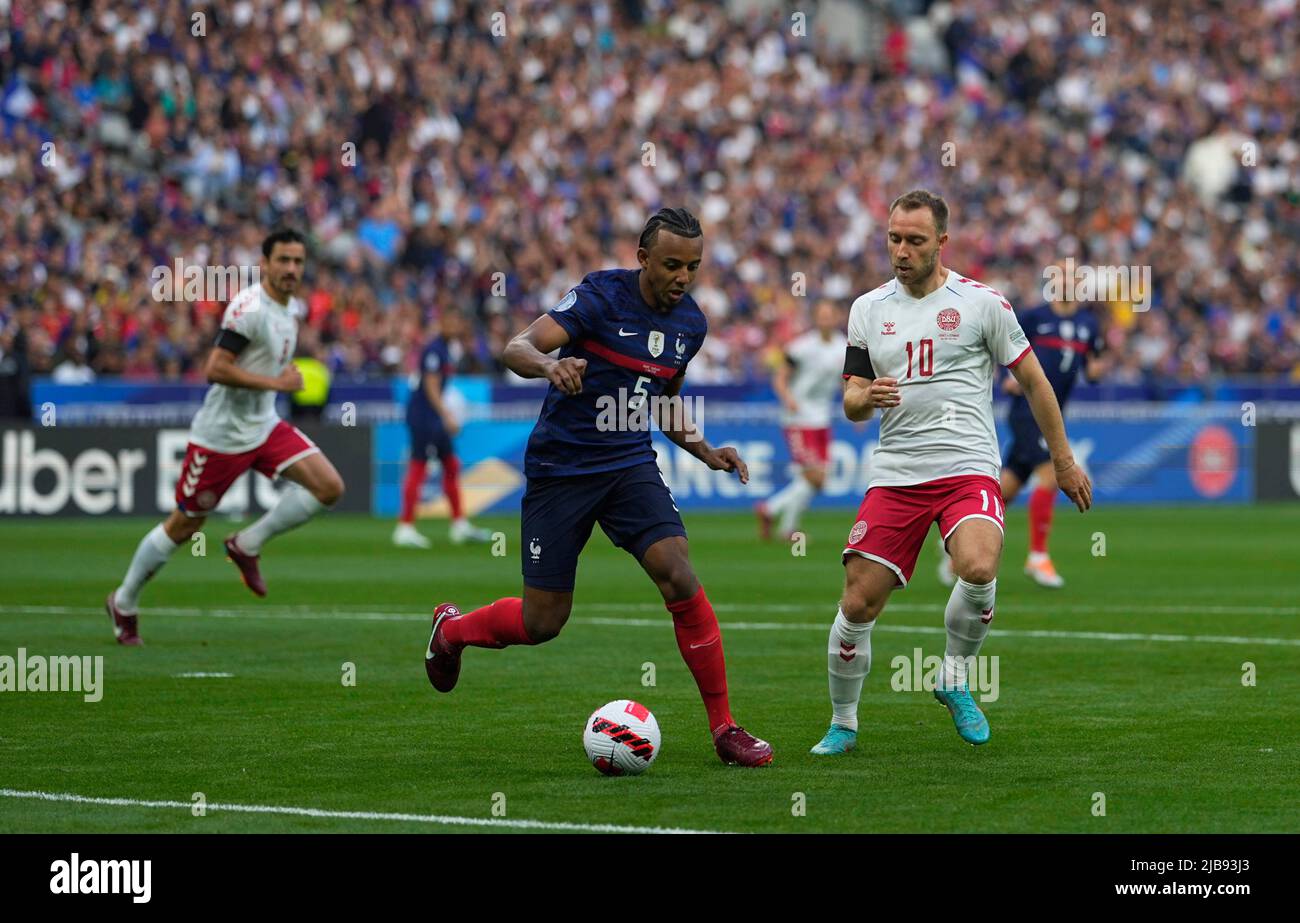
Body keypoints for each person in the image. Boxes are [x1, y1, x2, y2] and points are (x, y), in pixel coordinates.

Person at [423, 207, 773, 767]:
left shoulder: (691, 326)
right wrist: (547, 367)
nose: (683, 277)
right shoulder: (599, 297)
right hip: (561, 469)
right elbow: (516, 346)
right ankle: (452, 631)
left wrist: (706, 450)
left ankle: (725, 728)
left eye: (694, 266)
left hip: (628, 462)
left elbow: (660, 396)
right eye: (672, 265)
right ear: (642, 259)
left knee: (678, 573)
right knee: (544, 621)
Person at [811, 190, 1092, 755]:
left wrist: (1062, 459)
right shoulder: (868, 309)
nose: (902, 250)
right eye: (894, 238)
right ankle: (844, 722)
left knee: (979, 564)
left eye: (915, 240)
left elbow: (1036, 382)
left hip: (968, 466)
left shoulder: (983, 304)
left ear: (941, 241)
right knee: (858, 602)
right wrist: (868, 398)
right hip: (897, 472)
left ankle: (954, 677)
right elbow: (851, 401)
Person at [105, 228, 345, 645]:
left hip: (264, 425)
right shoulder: (248, 309)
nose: (291, 269)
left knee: (329, 487)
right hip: (221, 435)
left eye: (297, 261)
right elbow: (215, 368)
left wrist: (272, 389)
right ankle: (123, 601)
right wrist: (274, 384)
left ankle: (246, 544)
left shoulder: (293, 309)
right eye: (283, 260)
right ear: (265, 264)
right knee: (184, 525)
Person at [938, 279, 1105, 588]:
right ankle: (1038, 556)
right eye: (1064, 277)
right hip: (1026, 409)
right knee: (1050, 475)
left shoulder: (1087, 323)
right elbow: (1005, 345)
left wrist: (1097, 370)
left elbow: (1092, 365)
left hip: (1052, 414)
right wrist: (1008, 376)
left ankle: (958, 536)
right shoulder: (1034, 317)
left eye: (1076, 278)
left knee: (1008, 488)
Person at [393, 307, 493, 548]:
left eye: (456, 322)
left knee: (450, 464)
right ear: (441, 324)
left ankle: (459, 525)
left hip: (433, 417)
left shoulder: (447, 349)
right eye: (449, 322)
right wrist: (447, 415)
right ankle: (404, 527)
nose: (453, 326)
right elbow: (430, 385)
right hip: (423, 417)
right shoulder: (435, 349)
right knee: (419, 465)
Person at [756, 300, 847, 540]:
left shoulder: (842, 346)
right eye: (822, 315)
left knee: (815, 480)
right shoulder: (802, 347)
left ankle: (783, 524)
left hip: (822, 418)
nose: (826, 320)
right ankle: (771, 510)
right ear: (816, 319)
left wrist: (853, 408)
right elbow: (780, 377)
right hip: (798, 418)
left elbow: (844, 381)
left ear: (837, 317)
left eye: (830, 315)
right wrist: (788, 398)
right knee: (814, 477)